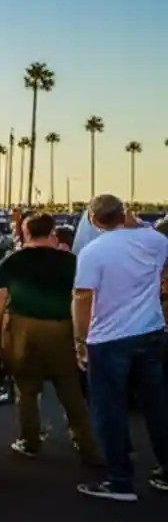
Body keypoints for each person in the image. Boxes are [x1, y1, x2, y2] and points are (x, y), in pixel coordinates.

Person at [72, 195, 168, 500]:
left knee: (109, 409)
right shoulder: (155, 242)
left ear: (94, 220)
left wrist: (79, 340)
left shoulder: (93, 251)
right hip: (150, 332)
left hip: (108, 339)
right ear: (123, 213)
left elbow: (83, 297)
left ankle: (120, 480)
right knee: (158, 405)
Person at [0, 212, 101, 463]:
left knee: (26, 390)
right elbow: (82, 296)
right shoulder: (70, 261)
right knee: (71, 391)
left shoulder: (14, 261)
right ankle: (87, 445)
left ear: (26, 232)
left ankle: (29, 441)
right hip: (62, 329)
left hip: (22, 329)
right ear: (53, 232)